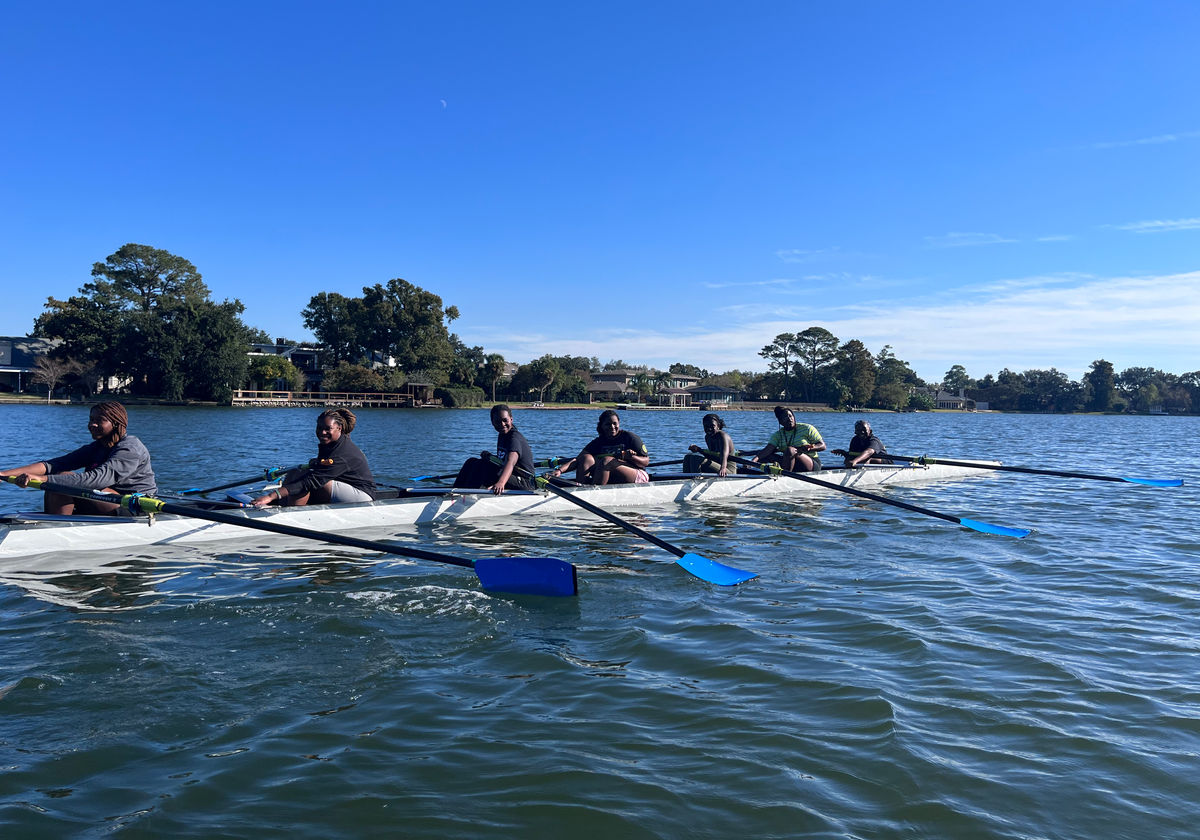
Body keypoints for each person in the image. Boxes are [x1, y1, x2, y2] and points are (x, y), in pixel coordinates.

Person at [0, 401, 156, 515]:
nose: (92, 425)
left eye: (99, 421)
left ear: (116, 424)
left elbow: (97, 480)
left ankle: (56, 530)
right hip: (105, 500)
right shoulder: (96, 447)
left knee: (61, 481)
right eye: (91, 420)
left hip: (136, 507)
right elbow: (53, 465)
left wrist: (43, 479)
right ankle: (55, 525)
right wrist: (3, 474)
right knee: (59, 477)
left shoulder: (130, 448)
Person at [250, 408, 376, 507]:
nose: (322, 433)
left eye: (327, 429)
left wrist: (271, 495)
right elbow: (324, 469)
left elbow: (312, 481)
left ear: (339, 428)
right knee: (295, 472)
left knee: (304, 480)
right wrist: (318, 463)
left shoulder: (343, 452)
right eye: (319, 428)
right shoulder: (331, 444)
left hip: (362, 496)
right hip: (342, 485)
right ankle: (280, 507)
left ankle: (292, 516)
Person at [547, 409, 650, 485]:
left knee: (606, 461)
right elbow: (577, 460)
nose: (612, 427)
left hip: (637, 475)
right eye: (608, 424)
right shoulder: (599, 441)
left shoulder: (630, 437)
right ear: (602, 426)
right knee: (586, 458)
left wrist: (632, 457)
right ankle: (581, 488)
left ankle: (595, 492)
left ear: (619, 423)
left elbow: (646, 461)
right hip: (612, 474)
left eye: (615, 424)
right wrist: (559, 470)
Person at [452, 404, 535, 494]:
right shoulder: (502, 434)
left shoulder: (514, 438)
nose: (502, 424)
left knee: (482, 465)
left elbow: (510, 462)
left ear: (511, 419)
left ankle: (466, 495)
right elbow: (503, 460)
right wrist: (489, 456)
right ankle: (455, 491)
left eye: (505, 420)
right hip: (511, 475)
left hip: (525, 482)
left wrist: (501, 483)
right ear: (492, 422)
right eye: (498, 422)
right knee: (471, 462)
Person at [750, 406, 825, 472]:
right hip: (792, 464)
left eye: (790, 416)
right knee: (767, 456)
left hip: (811, 464)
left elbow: (823, 446)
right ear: (780, 422)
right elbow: (767, 450)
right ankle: (752, 471)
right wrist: (753, 461)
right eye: (785, 417)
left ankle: (785, 476)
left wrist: (810, 448)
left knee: (790, 450)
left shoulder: (807, 428)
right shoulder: (778, 435)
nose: (790, 419)